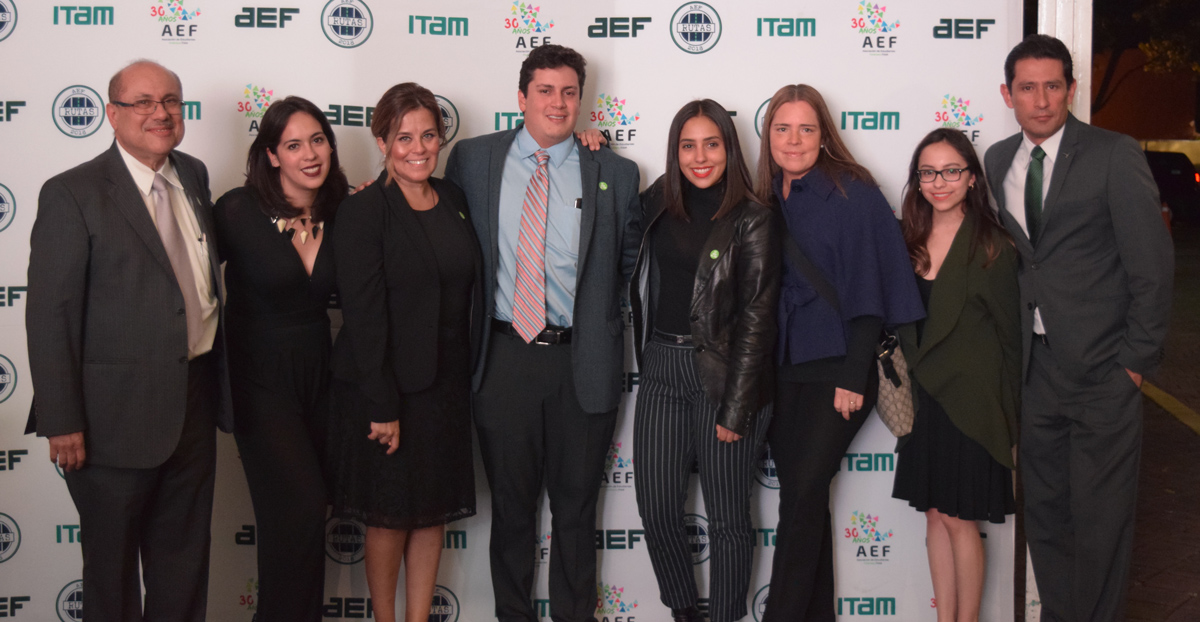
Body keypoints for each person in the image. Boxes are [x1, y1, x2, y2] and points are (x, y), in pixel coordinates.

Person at [24, 60, 232, 621]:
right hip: (107, 418)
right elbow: (51, 313)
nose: (159, 113)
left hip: (192, 400)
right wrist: (63, 417)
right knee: (111, 576)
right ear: (112, 114)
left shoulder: (193, 173)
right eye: (142, 102)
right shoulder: (72, 193)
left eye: (170, 100)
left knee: (184, 565)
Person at [444, 44, 642, 622]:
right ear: (522, 96)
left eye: (569, 92)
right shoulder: (473, 160)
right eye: (546, 91)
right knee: (511, 510)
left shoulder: (615, 171)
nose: (558, 103)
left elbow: (629, 264)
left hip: (582, 360)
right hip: (502, 358)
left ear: (583, 98)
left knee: (577, 511)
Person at [985, 34, 1174, 621]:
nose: (1041, 100)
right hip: (1035, 373)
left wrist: (1134, 363)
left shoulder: (1114, 154)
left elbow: (1153, 266)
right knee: (1046, 516)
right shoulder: (995, 161)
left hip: (1104, 374)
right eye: (1027, 88)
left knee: (1102, 524)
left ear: (1071, 88)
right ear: (1007, 94)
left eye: (1052, 86)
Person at [753, 84, 925, 622]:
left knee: (802, 498)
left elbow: (873, 295)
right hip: (781, 370)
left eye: (806, 129)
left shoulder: (854, 193)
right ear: (768, 135)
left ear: (824, 134)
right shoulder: (762, 196)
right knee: (802, 503)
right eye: (783, 128)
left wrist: (855, 376)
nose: (794, 140)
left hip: (839, 370)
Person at [329, 82, 481, 622]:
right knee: (389, 517)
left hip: (444, 386)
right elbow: (364, 317)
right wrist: (382, 405)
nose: (418, 148)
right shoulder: (365, 211)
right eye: (403, 137)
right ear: (381, 141)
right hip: (385, 389)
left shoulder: (455, 199)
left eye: (428, 135)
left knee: (431, 514)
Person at [629, 99, 779, 622]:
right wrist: (591, 140)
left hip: (726, 376)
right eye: (687, 145)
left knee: (728, 518)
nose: (699, 156)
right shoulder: (656, 203)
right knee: (657, 507)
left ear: (729, 148)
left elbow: (759, 318)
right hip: (661, 369)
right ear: (674, 152)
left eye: (711, 144)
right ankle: (684, 611)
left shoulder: (753, 218)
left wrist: (738, 408)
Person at [212, 95, 349, 622]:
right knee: (297, 512)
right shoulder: (237, 210)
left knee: (305, 520)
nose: (310, 154)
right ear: (271, 155)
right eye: (294, 144)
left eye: (318, 140)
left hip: (321, 381)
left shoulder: (342, 210)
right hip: (260, 382)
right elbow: (180, 278)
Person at [892, 128, 1020, 622]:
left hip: (973, 406)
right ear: (917, 179)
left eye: (951, 171)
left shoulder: (993, 245)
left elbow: (1012, 342)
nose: (938, 182)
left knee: (959, 519)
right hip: (924, 402)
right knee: (934, 516)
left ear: (971, 178)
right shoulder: (907, 239)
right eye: (928, 172)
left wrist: (1011, 427)